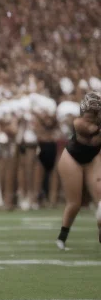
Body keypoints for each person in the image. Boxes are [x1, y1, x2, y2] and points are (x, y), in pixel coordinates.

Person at [55, 92, 101, 249]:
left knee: (100, 198)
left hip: (92, 158)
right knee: (75, 203)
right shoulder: (79, 123)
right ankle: (62, 236)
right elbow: (92, 131)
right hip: (72, 158)